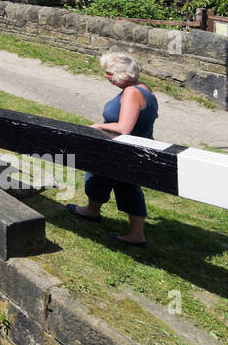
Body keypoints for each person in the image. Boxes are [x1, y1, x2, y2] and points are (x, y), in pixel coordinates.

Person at [65, 52, 159, 248]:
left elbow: (125, 128)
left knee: (106, 178)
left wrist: (98, 126)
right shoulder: (144, 88)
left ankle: (101, 216)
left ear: (122, 74)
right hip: (135, 149)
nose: (105, 76)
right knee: (120, 184)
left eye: (109, 73)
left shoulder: (132, 93)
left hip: (124, 151)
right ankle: (128, 229)